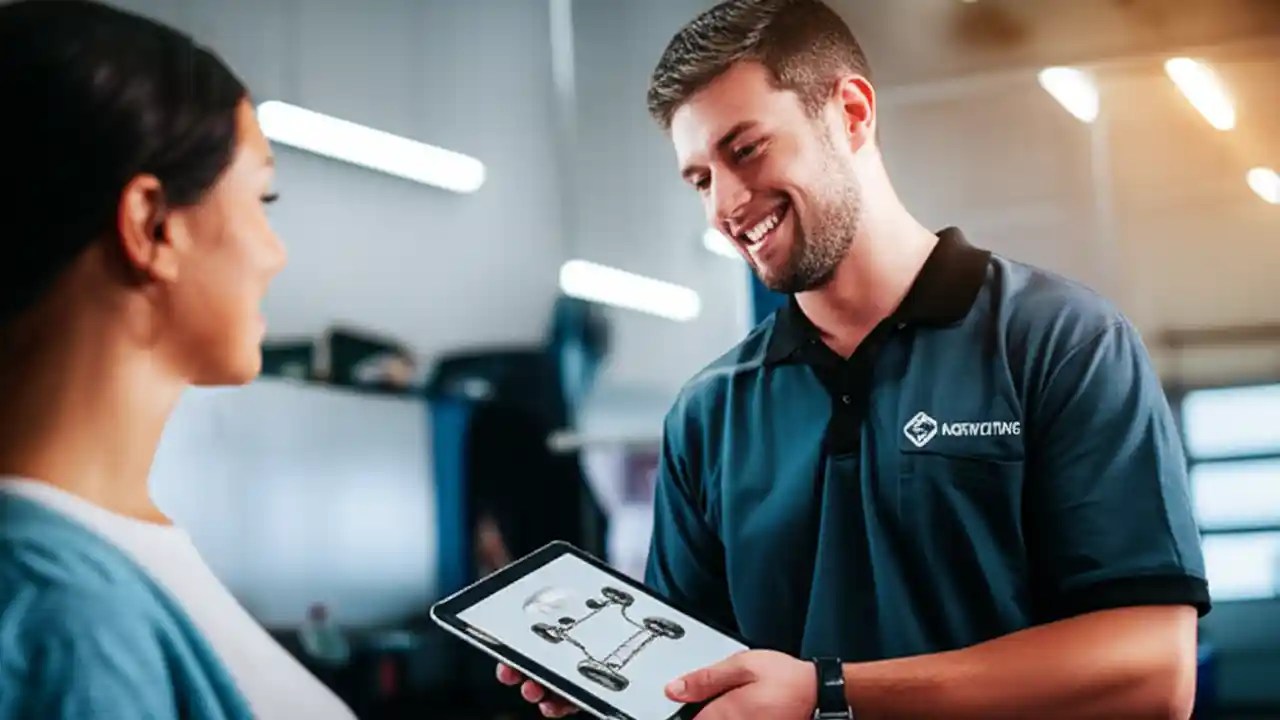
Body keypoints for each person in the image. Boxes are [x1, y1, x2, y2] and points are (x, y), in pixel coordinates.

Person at [499, 0, 1209, 718]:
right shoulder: (710, 413)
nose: (726, 205)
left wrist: (828, 694)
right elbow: (693, 687)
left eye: (745, 150)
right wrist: (612, 687)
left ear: (851, 113)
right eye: (700, 179)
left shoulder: (1061, 341)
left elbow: (1153, 671)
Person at [0, 2, 355, 718]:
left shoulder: (94, 559)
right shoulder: (68, 611)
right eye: (263, 196)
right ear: (152, 225)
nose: (274, 250)